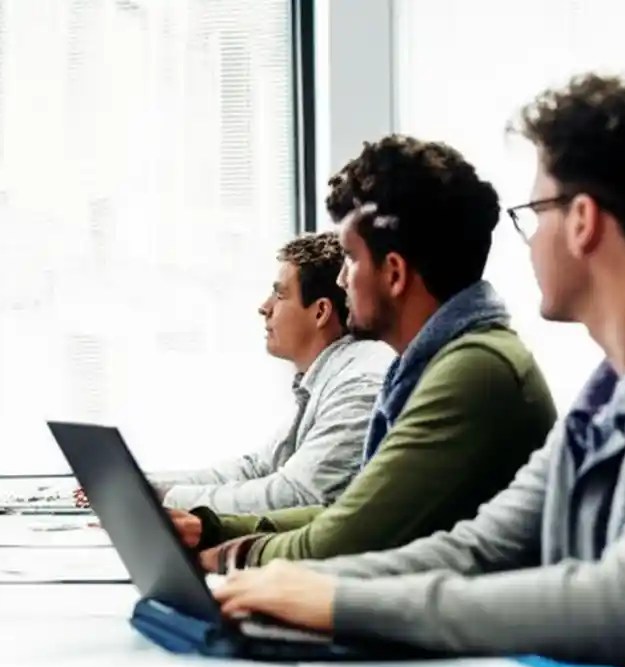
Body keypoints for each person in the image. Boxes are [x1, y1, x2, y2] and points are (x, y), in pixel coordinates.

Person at [211, 73, 625, 667]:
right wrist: (288, 582)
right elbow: (480, 548)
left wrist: (338, 601)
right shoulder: (604, 397)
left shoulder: (491, 371)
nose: (529, 241)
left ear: (583, 221)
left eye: (534, 213)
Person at [176, 135, 557, 570]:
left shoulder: (475, 371)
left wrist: (226, 555)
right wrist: (211, 529)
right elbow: (354, 516)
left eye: (351, 260)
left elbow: (346, 540)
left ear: (393, 273)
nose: (340, 281)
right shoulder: (433, 365)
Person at [146, 231, 393, 514]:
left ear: (320, 312)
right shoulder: (328, 377)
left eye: (279, 294)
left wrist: (169, 500)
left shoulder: (360, 381)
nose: (264, 307)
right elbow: (258, 467)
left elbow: (298, 495)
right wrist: (151, 487)